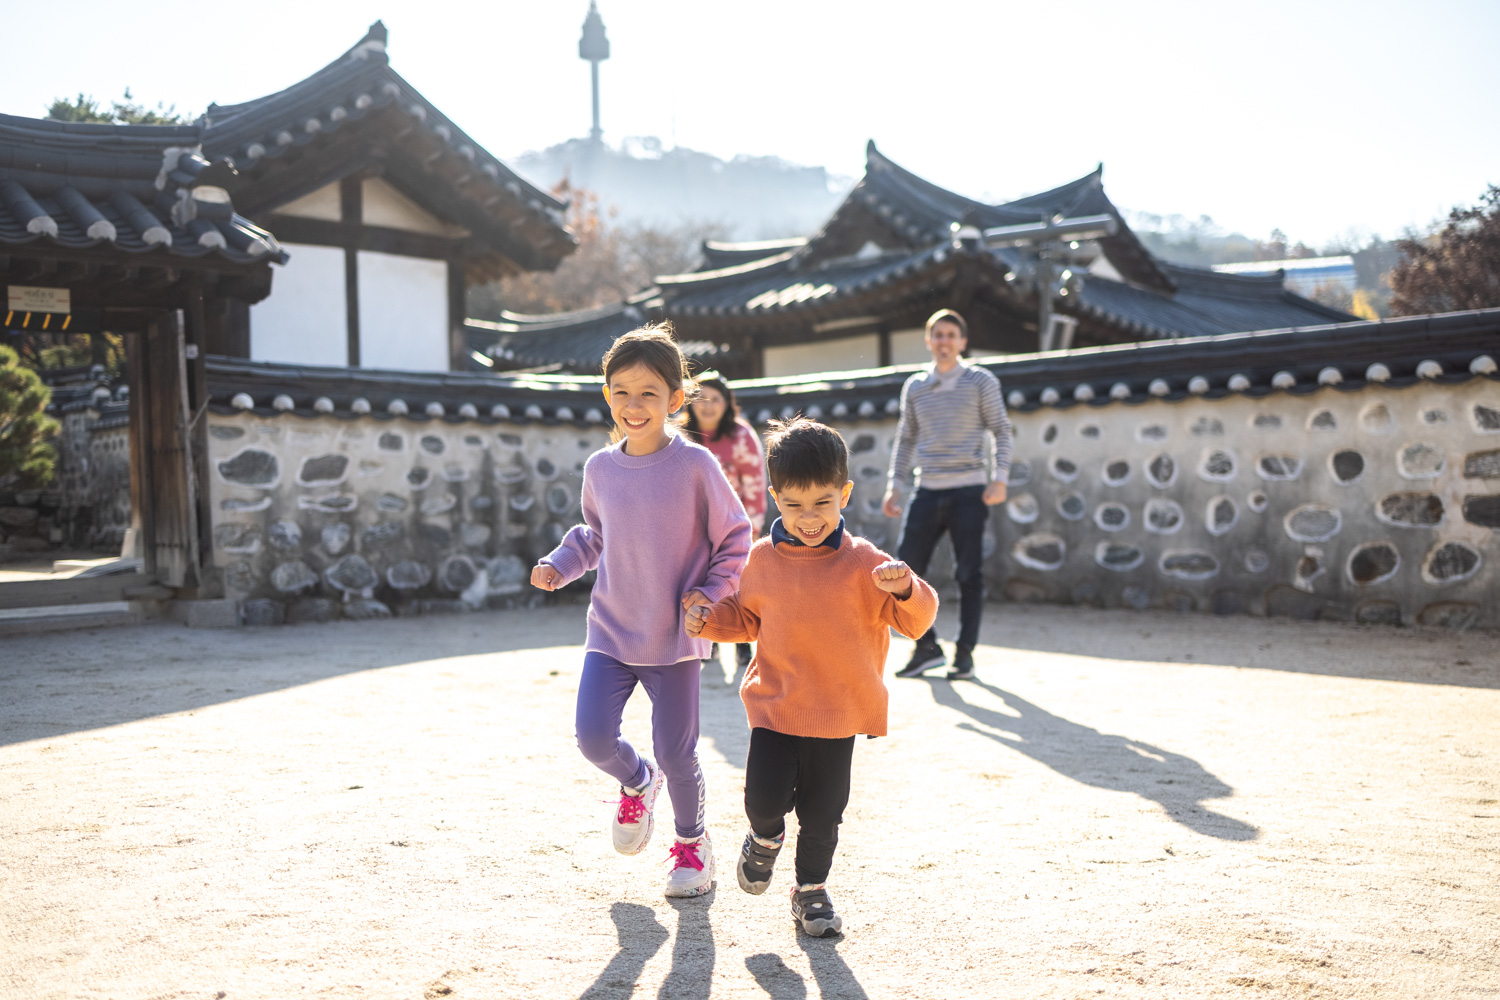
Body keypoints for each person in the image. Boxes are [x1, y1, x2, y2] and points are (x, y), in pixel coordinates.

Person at [685, 418, 938, 936]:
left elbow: (917, 622)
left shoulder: (866, 563)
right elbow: (747, 619)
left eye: (823, 503)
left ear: (844, 493)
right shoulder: (761, 560)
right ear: (775, 497)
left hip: (839, 714)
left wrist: (908, 588)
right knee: (763, 802)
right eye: (794, 505)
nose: (809, 518)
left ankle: (811, 893)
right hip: (777, 708)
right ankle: (764, 838)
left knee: (824, 818)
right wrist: (709, 618)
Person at [531, 323, 752, 898]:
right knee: (593, 738)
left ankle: (691, 844)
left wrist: (710, 591)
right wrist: (560, 563)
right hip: (610, 629)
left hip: (676, 637)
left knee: (678, 752)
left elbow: (735, 538)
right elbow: (592, 534)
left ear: (676, 400)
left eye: (649, 393)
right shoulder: (601, 469)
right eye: (622, 391)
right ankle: (637, 781)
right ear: (607, 394)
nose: (634, 405)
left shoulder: (697, 465)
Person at [882, 308, 1011, 682]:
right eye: (937, 334)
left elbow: (1001, 430)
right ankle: (927, 648)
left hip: (970, 489)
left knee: (969, 573)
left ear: (963, 342)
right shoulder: (916, 386)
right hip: (927, 489)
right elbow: (906, 439)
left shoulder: (980, 381)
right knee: (902, 571)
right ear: (928, 341)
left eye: (951, 334)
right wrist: (895, 485)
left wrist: (999, 478)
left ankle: (964, 656)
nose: (944, 341)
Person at [682, 371, 766, 670]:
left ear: (727, 403)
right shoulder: (680, 436)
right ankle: (709, 638)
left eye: (715, 399)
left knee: (737, 581)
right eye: (701, 398)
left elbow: (754, 483)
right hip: (693, 526)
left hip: (734, 524)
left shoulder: (741, 435)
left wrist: (752, 526)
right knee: (702, 581)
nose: (707, 405)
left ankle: (743, 643)